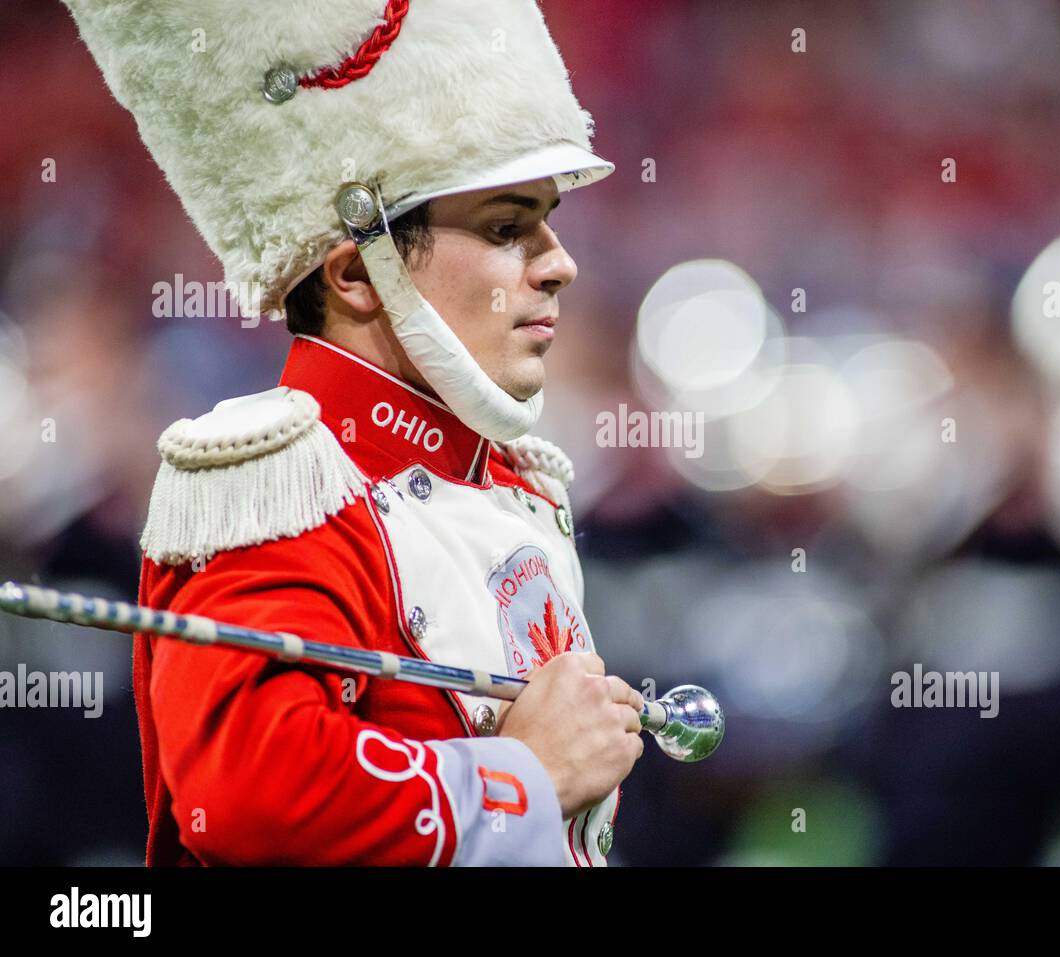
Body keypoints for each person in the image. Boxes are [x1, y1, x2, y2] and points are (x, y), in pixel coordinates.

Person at [59, 0, 640, 865]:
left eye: (548, 221)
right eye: (508, 226)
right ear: (356, 275)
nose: (559, 261)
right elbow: (254, 795)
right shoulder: (280, 485)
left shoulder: (513, 480)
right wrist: (526, 773)